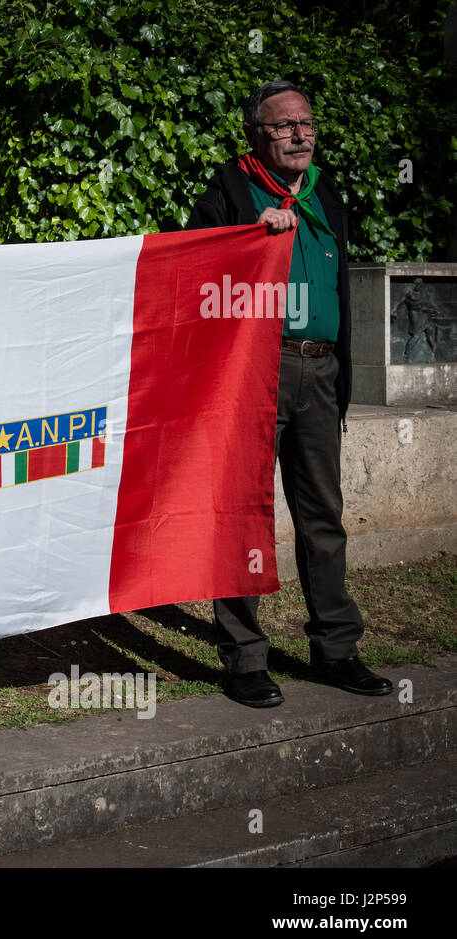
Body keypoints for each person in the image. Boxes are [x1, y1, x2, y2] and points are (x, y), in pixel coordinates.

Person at [186, 80, 392, 707]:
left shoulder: (324, 191)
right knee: (244, 513)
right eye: (283, 126)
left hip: (320, 373)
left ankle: (336, 649)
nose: (300, 135)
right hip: (256, 372)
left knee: (323, 518)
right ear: (256, 134)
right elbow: (194, 268)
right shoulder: (229, 189)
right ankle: (245, 657)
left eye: (306, 123)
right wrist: (252, 234)